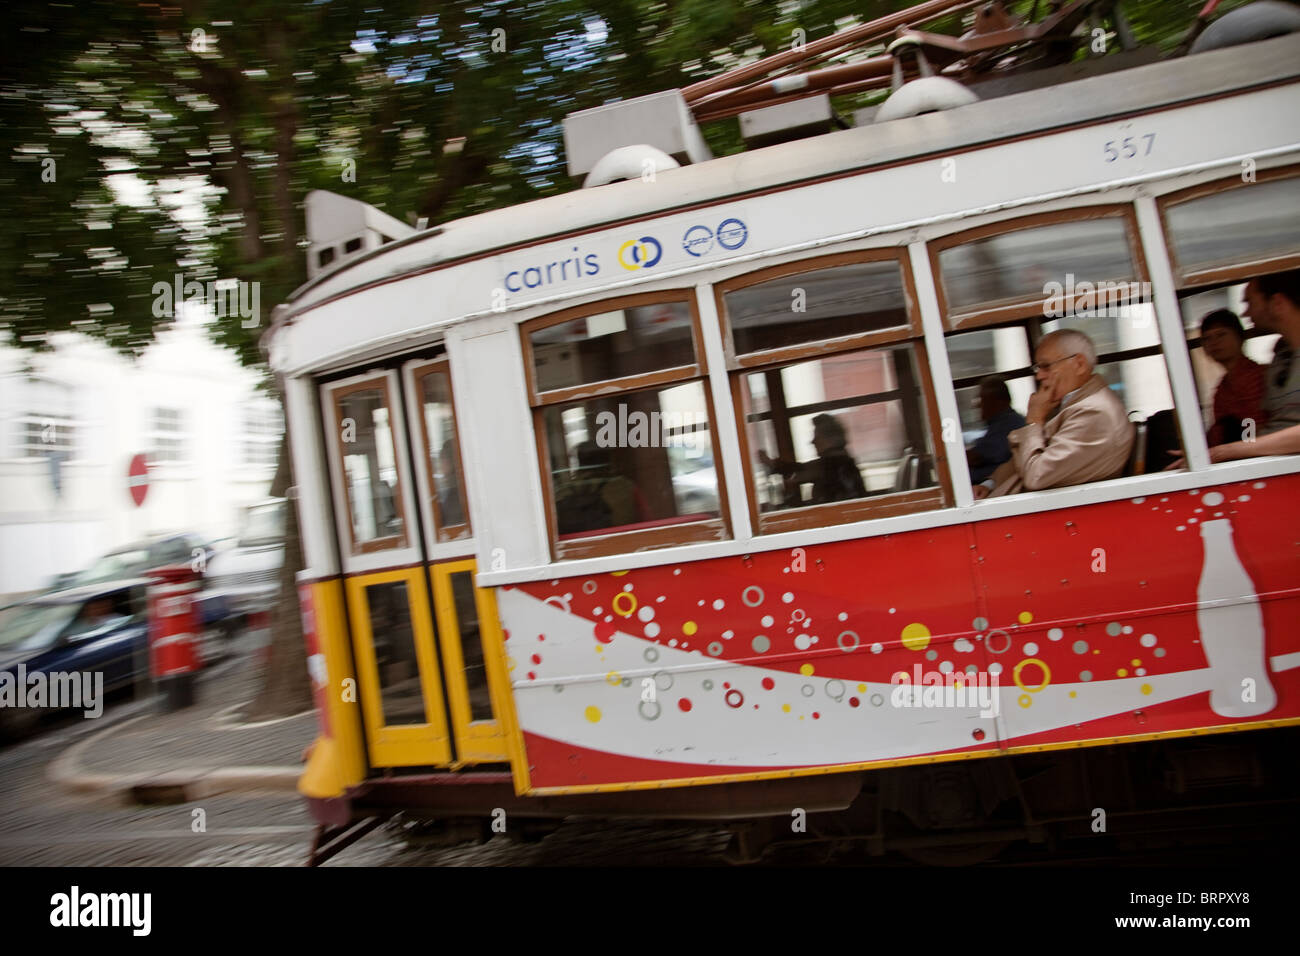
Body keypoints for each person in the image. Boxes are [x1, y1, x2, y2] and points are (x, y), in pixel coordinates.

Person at [974, 329, 1133, 498]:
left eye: (1046, 366)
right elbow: (1019, 462)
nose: (1040, 376)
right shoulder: (1068, 405)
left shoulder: (1094, 413)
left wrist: (1034, 421)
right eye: (1038, 368)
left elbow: (1036, 476)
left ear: (1079, 364)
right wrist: (989, 484)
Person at [758, 413, 868, 506]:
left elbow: (798, 471)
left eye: (816, 437)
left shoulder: (830, 465)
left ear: (830, 440)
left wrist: (771, 463)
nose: (812, 442)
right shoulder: (845, 463)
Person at [1198, 309, 1267, 446]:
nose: (1214, 342)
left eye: (1221, 334)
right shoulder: (1221, 391)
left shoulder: (1258, 376)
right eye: (1207, 338)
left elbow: (1255, 432)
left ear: (1240, 337)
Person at [1244, 269, 1300, 436]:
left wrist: (1231, 450)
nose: (1245, 312)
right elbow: (1263, 422)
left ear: (1277, 303)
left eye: (1250, 302)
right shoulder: (1280, 357)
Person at [966, 376, 1026, 483]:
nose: (977, 405)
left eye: (982, 399)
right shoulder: (998, 424)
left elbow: (975, 458)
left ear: (998, 401)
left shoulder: (1010, 423)